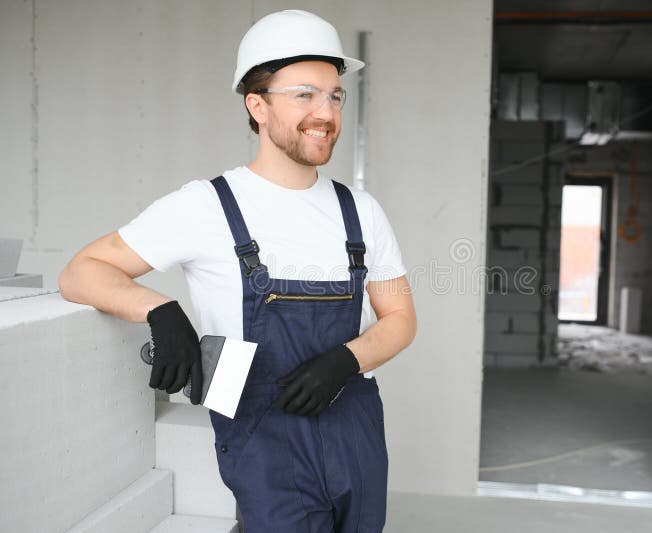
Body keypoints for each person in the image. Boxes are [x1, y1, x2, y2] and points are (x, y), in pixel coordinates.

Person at [58, 9, 416, 533]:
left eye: (335, 95)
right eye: (303, 95)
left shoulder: (361, 211)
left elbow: (400, 317)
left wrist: (345, 360)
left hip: (354, 424)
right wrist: (159, 309)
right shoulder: (206, 205)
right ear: (258, 105)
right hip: (263, 434)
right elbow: (80, 272)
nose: (326, 112)